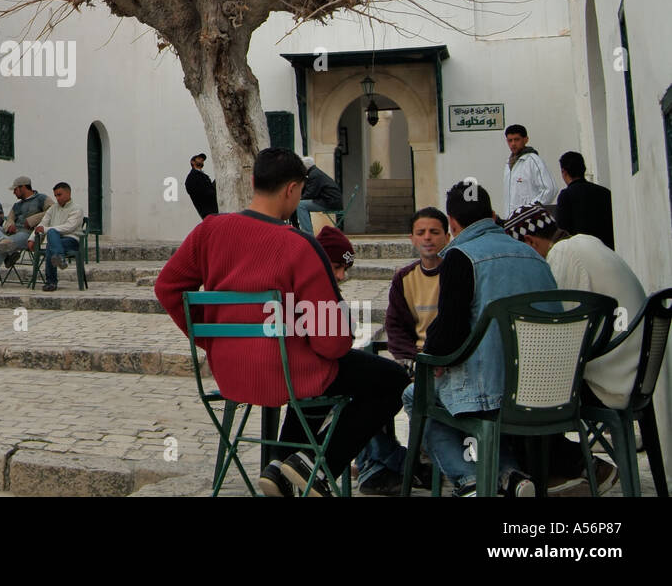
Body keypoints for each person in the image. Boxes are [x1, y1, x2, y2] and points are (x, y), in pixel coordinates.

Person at [155, 147, 409, 497]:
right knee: (390, 379)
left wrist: (211, 338)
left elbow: (168, 287)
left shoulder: (209, 230)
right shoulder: (299, 245)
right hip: (285, 373)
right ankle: (314, 466)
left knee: (317, 367)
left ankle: (281, 468)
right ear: (292, 189)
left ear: (254, 181)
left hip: (229, 372)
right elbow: (333, 342)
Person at [405, 180, 558, 496]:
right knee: (456, 408)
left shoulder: (461, 256)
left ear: (452, 224)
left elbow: (450, 335)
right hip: (545, 393)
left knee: (416, 394)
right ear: (491, 214)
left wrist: (432, 356)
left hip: (489, 394)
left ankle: (471, 480)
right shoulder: (535, 257)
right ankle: (510, 477)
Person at [504, 204, 644, 409]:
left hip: (614, 382)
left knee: (532, 399)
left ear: (530, 242)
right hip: (636, 371)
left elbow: (561, 337)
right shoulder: (586, 242)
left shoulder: (561, 255)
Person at [356, 207, 451, 495]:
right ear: (411, 238)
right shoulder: (404, 278)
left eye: (434, 232)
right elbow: (395, 326)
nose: (428, 238)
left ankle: (388, 463)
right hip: (414, 361)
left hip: (448, 362)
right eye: (421, 233)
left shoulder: (455, 275)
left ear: (447, 237)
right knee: (369, 387)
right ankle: (384, 462)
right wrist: (410, 359)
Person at [0, 176, 53, 289]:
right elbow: (9, 220)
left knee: (0, 246)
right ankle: (7, 246)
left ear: (23, 187)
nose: (13, 192)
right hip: (12, 235)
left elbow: (53, 211)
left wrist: (33, 220)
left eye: (15, 189)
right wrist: (10, 226)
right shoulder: (17, 205)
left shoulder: (42, 198)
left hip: (29, 235)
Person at [26, 181, 84, 292]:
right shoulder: (53, 209)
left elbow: (69, 227)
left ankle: (51, 282)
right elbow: (43, 223)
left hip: (71, 241)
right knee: (51, 244)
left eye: (59, 195)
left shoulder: (77, 208)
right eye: (55, 195)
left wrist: (48, 230)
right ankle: (59, 258)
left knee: (51, 238)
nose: (57, 198)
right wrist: (32, 238)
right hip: (56, 242)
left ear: (68, 193)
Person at [555, 152, 615, 249]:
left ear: (564, 172)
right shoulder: (605, 193)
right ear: (584, 169)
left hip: (582, 254)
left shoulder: (566, 196)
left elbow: (563, 230)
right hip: (608, 252)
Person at [502, 124, 555, 212]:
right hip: (511, 219)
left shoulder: (533, 160)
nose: (513, 144)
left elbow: (550, 189)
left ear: (526, 139)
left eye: (517, 139)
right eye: (510, 140)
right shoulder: (508, 163)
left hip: (528, 220)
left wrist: (531, 210)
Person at [296, 155, 342, 234]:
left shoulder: (314, 175)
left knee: (300, 205)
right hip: (332, 201)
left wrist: (297, 199)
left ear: (306, 167)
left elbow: (310, 193)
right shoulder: (316, 173)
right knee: (302, 204)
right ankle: (307, 232)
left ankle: (308, 234)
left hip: (329, 202)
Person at [185, 153, 218, 219]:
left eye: (202, 159)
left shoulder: (203, 176)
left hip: (214, 210)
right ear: (192, 162)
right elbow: (201, 192)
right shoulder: (192, 177)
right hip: (208, 212)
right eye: (199, 158)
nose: (202, 160)